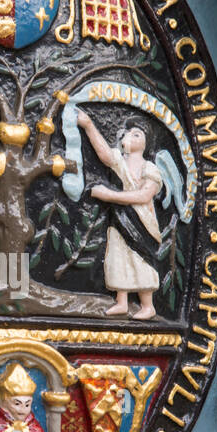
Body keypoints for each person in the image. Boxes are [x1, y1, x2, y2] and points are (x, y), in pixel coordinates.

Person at [76, 110, 163, 318]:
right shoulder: (120, 162)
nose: (130, 137)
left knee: (140, 258)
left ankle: (147, 306)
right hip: (120, 220)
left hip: (141, 221)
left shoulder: (149, 168)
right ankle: (121, 301)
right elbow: (104, 154)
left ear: (146, 143)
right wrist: (88, 124)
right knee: (118, 257)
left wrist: (108, 195)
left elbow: (143, 196)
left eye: (137, 135)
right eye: (129, 133)